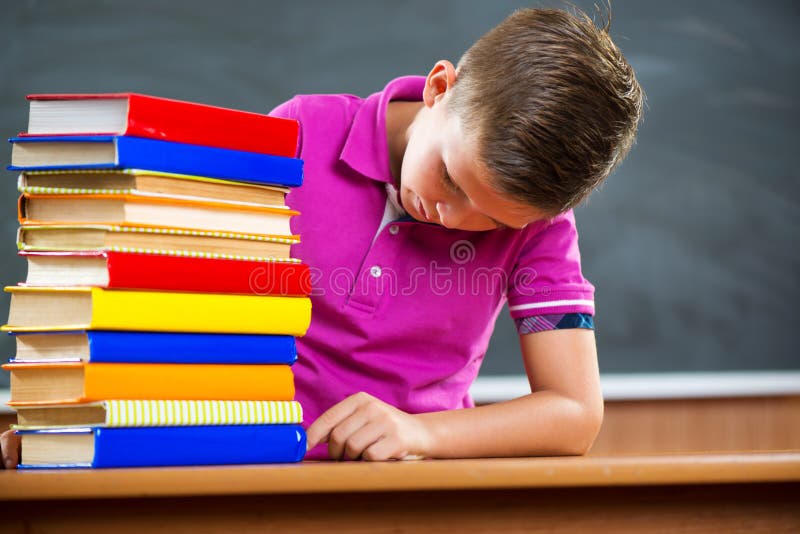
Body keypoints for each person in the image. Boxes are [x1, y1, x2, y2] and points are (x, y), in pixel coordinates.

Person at [1, 7, 642, 467]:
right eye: (449, 177)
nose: (454, 217)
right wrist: (66, 422)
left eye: (493, 221)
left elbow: (574, 414)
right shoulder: (300, 134)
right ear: (440, 88)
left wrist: (424, 435)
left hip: (410, 485)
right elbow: (184, 310)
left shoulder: (540, 224)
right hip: (253, 467)